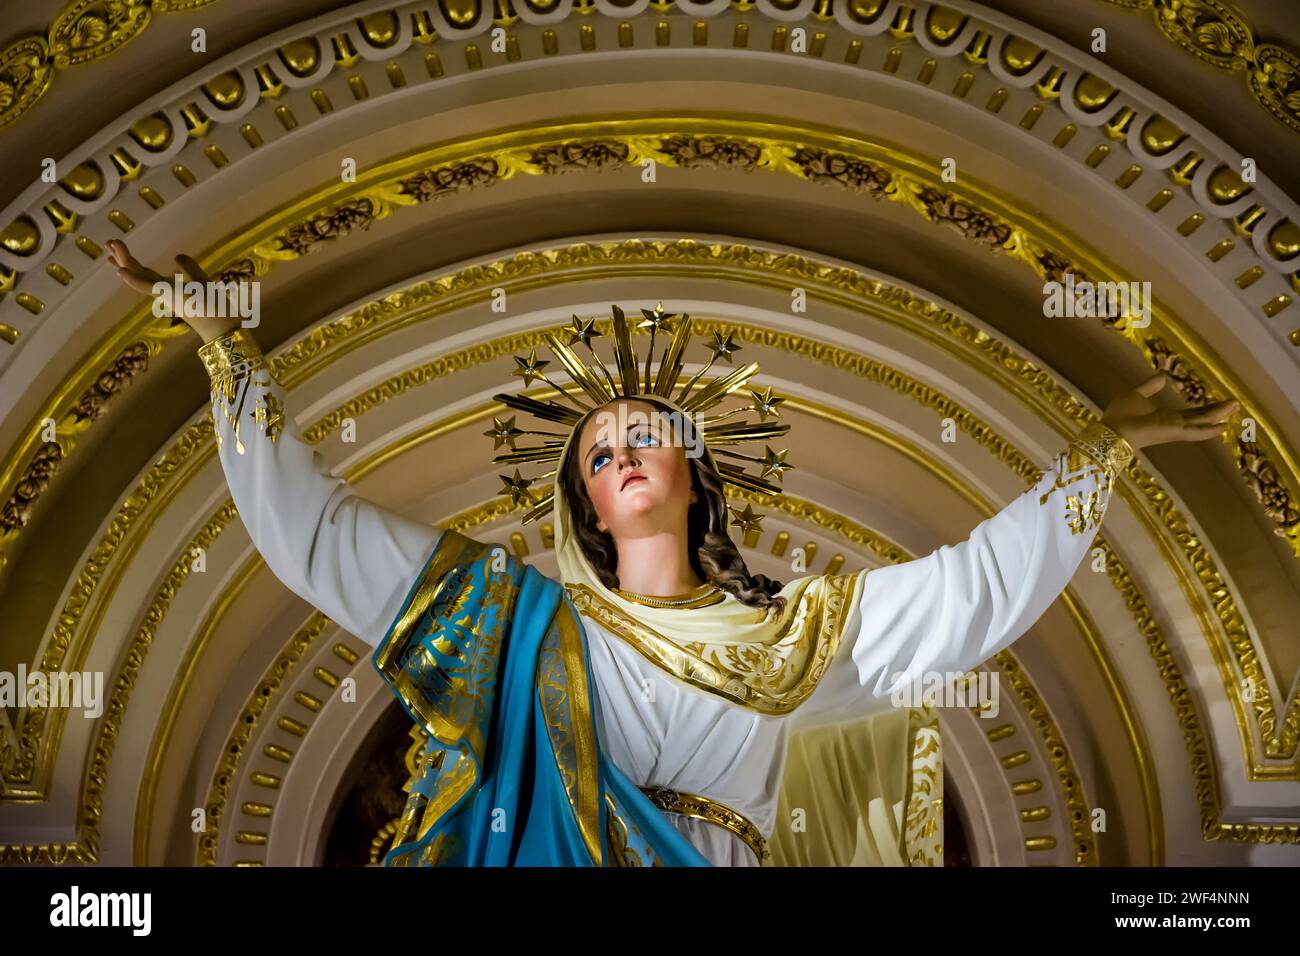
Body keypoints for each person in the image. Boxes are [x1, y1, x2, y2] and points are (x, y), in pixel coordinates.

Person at [109, 240, 1239, 866]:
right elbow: (316, 536)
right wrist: (228, 357)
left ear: (696, 469)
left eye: (648, 436)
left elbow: (976, 588)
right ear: (588, 507)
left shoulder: (799, 636)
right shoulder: (513, 621)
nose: (625, 453)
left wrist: (1102, 454)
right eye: (601, 452)